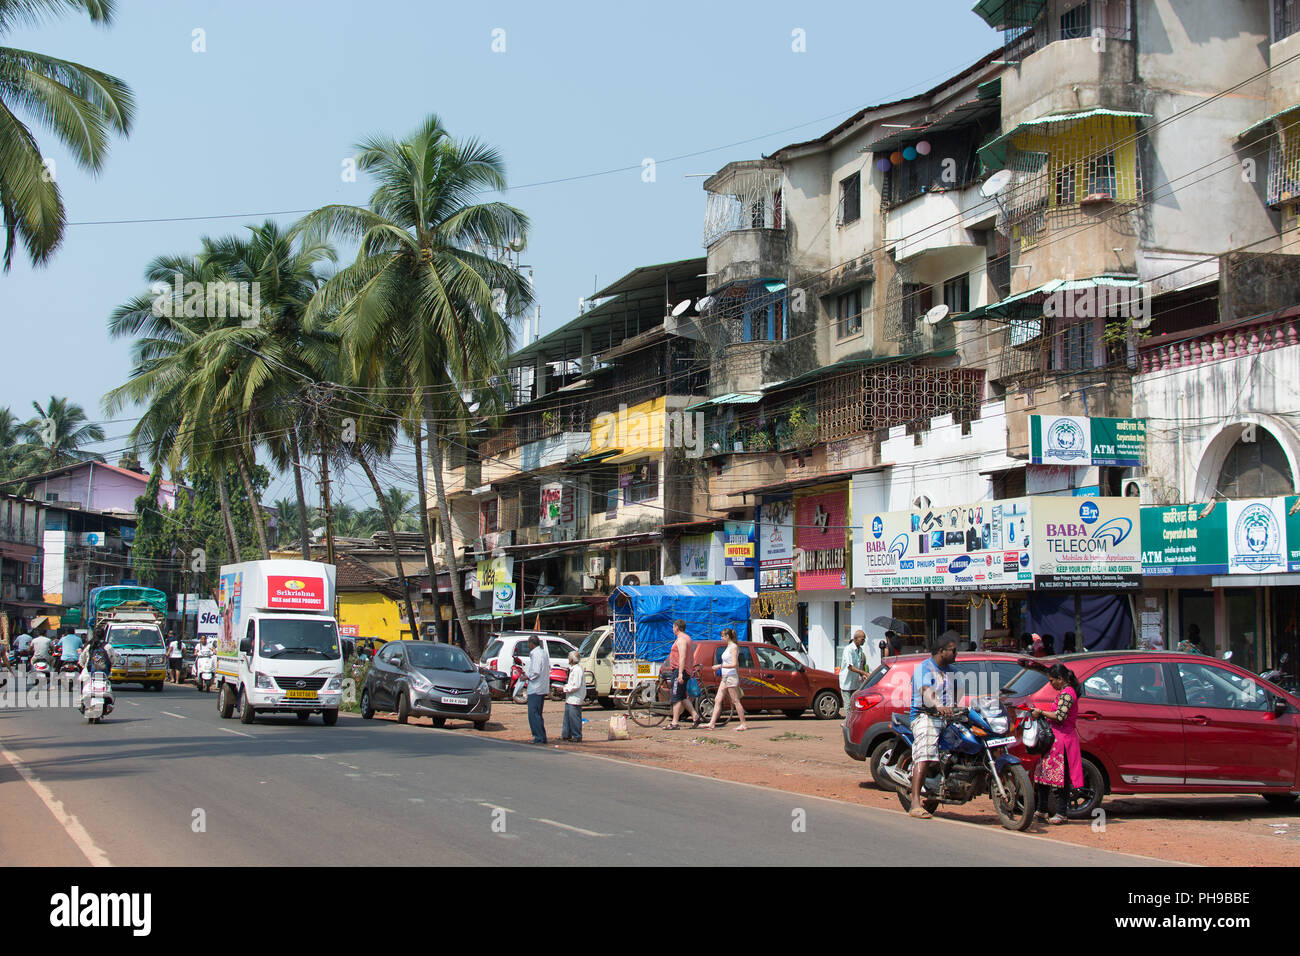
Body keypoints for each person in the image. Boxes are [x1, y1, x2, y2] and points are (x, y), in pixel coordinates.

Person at [908, 635, 957, 819]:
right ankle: (914, 803)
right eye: (953, 650)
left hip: (946, 718)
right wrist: (938, 705)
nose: (956, 654)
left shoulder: (951, 670)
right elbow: (925, 690)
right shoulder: (925, 668)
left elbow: (957, 694)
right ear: (941, 651)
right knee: (925, 754)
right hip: (924, 716)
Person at [1030, 663, 1084, 825]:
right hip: (1056, 739)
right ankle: (1042, 810)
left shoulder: (1067, 694)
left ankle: (1061, 813)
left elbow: (1060, 716)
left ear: (1060, 679)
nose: (1051, 684)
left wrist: (1041, 712)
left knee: (1062, 779)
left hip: (1063, 740)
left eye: (1052, 680)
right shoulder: (1064, 692)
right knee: (1043, 777)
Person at [705, 628, 748, 731]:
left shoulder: (733, 647)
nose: (721, 638)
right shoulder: (728, 646)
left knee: (735, 701)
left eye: (723, 636)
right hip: (725, 677)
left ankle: (743, 724)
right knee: (718, 699)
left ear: (727, 636)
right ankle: (711, 723)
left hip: (731, 677)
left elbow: (734, 664)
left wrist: (720, 666)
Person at [665, 619, 702, 730]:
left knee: (676, 697)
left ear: (677, 627)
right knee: (682, 697)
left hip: (679, 670)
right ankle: (695, 716)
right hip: (682, 670)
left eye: (673, 627)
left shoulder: (681, 640)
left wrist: (680, 673)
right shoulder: (687, 639)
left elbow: (682, 656)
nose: (672, 629)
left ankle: (675, 723)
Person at [524, 636, 550, 744]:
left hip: (535, 688)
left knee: (533, 714)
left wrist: (526, 677)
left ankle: (538, 736)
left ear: (531, 643)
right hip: (541, 687)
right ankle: (541, 736)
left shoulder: (536, 654)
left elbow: (535, 672)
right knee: (537, 713)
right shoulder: (543, 653)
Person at [839, 629, 870, 711]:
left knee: (855, 706)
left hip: (855, 683)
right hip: (846, 683)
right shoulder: (848, 649)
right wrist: (864, 673)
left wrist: (862, 675)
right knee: (848, 707)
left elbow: (859, 666)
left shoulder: (860, 650)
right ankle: (847, 723)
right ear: (855, 638)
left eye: (864, 639)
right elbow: (850, 667)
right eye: (862, 639)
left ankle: (850, 723)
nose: (864, 641)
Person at [560, 651, 585, 742]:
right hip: (570, 697)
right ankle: (566, 734)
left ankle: (577, 735)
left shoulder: (577, 670)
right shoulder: (573, 669)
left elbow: (576, 685)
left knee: (574, 718)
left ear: (571, 659)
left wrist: (564, 689)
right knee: (567, 718)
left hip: (575, 697)